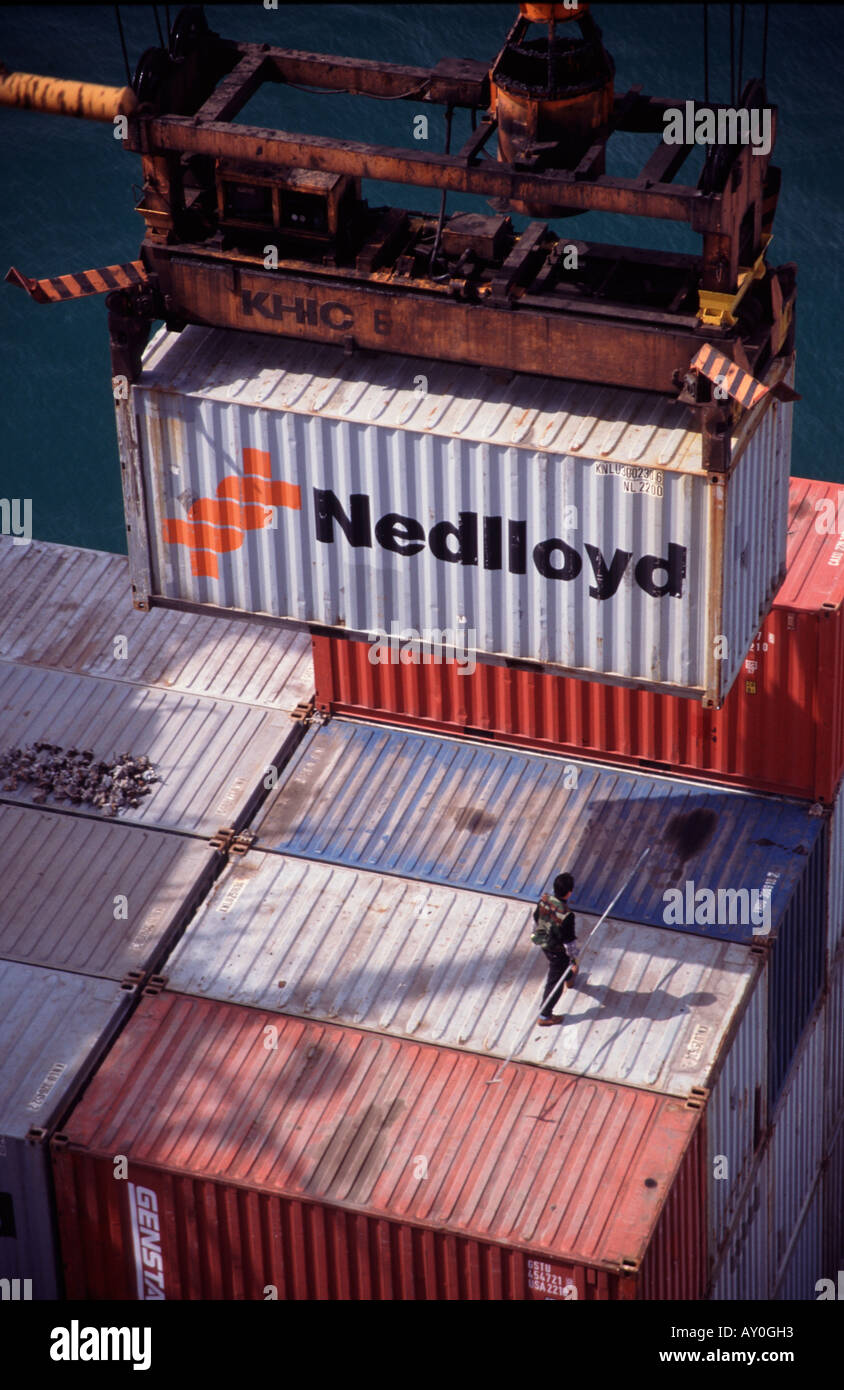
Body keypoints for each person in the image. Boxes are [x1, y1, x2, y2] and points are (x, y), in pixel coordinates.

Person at [532, 872, 579, 1027]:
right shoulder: (567, 915)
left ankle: (570, 976)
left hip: (543, 942)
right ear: (570, 892)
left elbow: (536, 917)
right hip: (557, 951)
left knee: (563, 969)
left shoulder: (544, 900)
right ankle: (545, 1016)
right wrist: (574, 959)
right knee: (554, 983)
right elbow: (569, 942)